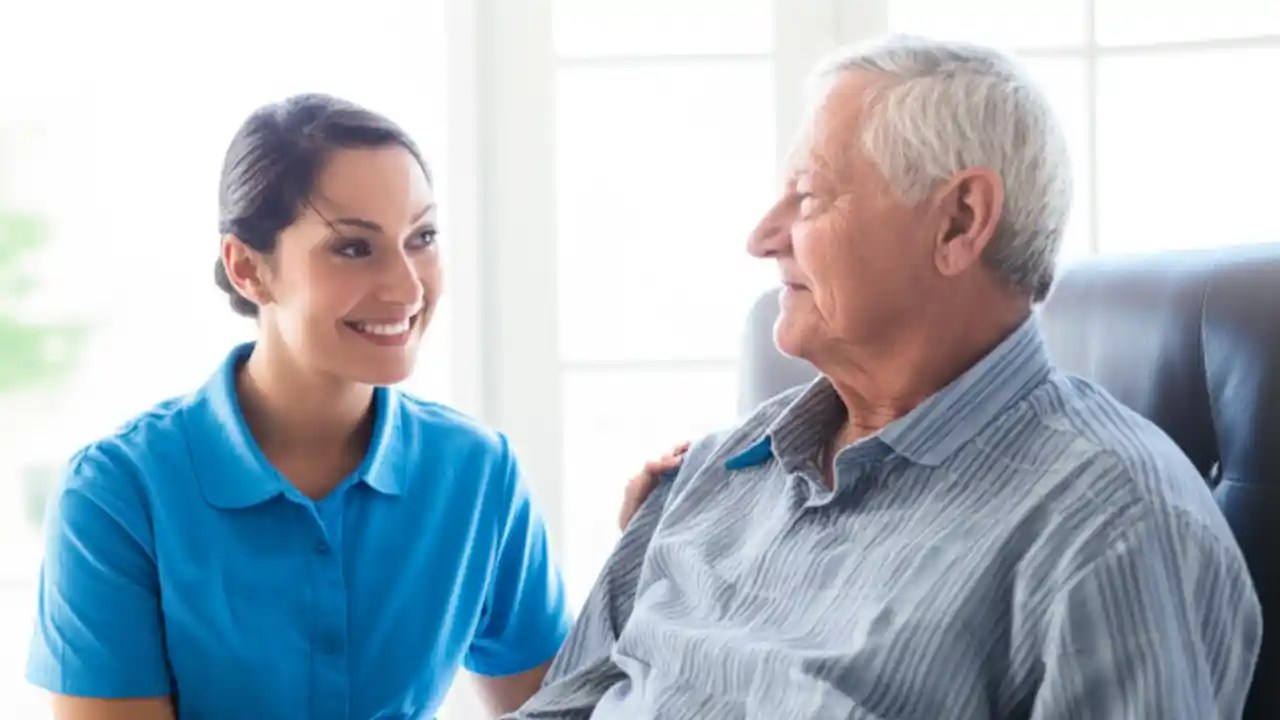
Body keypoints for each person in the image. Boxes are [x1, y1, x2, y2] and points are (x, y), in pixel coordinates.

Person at [512, 36, 1263, 719]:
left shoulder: (1111, 527)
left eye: (807, 195)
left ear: (959, 222)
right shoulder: (713, 472)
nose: (761, 237)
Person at [24, 94, 680, 720]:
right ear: (249, 268)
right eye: (353, 247)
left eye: (422, 237)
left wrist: (656, 564)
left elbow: (561, 708)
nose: (406, 285)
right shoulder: (119, 491)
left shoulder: (477, 473)